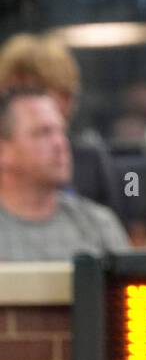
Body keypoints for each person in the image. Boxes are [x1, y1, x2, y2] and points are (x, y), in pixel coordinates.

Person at [0, 32, 122, 217]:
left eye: (35, 92)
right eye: (14, 92)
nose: (23, 102)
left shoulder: (91, 160)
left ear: (66, 100)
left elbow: (122, 223)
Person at [0, 89, 128, 261]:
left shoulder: (98, 226)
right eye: (43, 133)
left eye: (61, 131)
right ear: (3, 150)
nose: (60, 144)